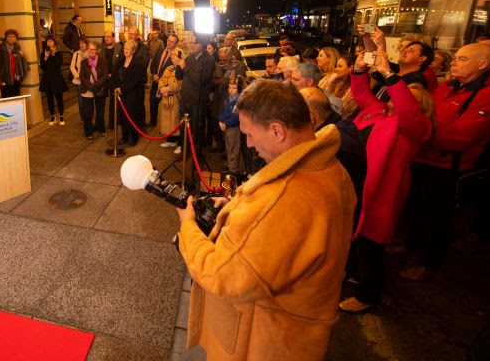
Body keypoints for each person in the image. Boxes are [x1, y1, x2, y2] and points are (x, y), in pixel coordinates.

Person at [176, 79, 356, 360]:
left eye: (249, 133)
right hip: (302, 331)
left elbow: (223, 276)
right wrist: (236, 206)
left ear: (277, 131)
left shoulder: (283, 199)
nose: (247, 143)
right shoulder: (332, 169)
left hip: (267, 339)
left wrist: (188, 226)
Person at [338, 49, 434, 313]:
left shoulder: (417, 127)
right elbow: (360, 93)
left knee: (371, 243)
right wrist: (359, 70)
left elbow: (407, 110)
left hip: (383, 191)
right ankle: (353, 272)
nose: (398, 98)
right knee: (354, 234)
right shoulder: (380, 112)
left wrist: (391, 76)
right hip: (360, 182)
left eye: (409, 98)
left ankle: (368, 295)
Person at [401, 43, 490, 281]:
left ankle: (430, 263)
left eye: (462, 58)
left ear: (483, 64)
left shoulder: (488, 96)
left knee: (438, 218)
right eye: (456, 57)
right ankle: (412, 246)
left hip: (449, 167)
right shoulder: (448, 86)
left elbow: (461, 136)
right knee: (417, 207)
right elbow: (424, 113)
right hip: (423, 157)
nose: (453, 62)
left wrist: (420, 134)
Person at [174, 35, 216, 155]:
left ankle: (196, 155)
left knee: (197, 129)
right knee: (183, 128)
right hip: (185, 99)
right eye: (191, 42)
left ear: (201, 45)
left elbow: (201, 80)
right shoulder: (190, 58)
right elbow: (179, 76)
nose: (191, 45)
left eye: (194, 43)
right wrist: (178, 64)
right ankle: (184, 150)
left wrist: (185, 67)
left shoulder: (209, 61)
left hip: (198, 102)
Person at [114, 40, 147, 147]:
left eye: (128, 49)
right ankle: (124, 137)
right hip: (121, 95)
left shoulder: (137, 63)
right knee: (123, 116)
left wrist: (122, 88)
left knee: (131, 117)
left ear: (133, 51)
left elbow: (135, 81)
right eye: (125, 49)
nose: (125, 51)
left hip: (132, 95)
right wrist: (116, 86)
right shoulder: (121, 61)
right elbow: (116, 74)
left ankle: (133, 138)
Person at [79, 41, 109, 139]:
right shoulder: (83, 62)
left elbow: (105, 76)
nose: (91, 51)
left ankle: (101, 129)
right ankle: (88, 132)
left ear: (97, 50)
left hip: (99, 89)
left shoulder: (103, 61)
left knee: (100, 112)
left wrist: (96, 86)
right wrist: (90, 87)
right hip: (87, 90)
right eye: (89, 49)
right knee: (88, 113)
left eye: (93, 49)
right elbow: (82, 77)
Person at [149, 34, 178, 127]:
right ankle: (152, 122)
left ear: (176, 44)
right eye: (169, 40)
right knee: (153, 102)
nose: (169, 43)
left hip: (165, 86)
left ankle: (165, 126)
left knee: (165, 108)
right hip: (155, 82)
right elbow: (153, 63)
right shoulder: (161, 50)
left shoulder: (176, 55)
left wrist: (160, 77)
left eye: (172, 42)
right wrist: (154, 74)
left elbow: (172, 70)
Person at [157, 48, 184, 148]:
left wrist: (167, 88)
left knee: (175, 121)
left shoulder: (182, 69)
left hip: (175, 99)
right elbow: (161, 79)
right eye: (172, 55)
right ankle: (170, 140)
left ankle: (179, 144)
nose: (172, 56)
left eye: (175, 55)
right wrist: (161, 88)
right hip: (165, 98)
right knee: (167, 121)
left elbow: (179, 83)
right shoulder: (168, 68)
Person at [39, 37, 68, 126]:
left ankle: (61, 116)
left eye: (51, 41)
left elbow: (59, 65)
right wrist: (46, 57)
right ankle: (52, 116)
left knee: (59, 98)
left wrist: (54, 54)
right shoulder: (43, 53)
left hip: (57, 78)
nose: (49, 43)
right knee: (49, 99)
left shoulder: (59, 53)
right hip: (47, 79)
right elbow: (43, 67)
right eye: (48, 41)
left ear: (54, 43)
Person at [218, 78, 242, 177]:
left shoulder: (239, 101)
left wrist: (226, 124)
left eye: (234, 88)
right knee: (228, 147)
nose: (231, 90)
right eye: (230, 88)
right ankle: (230, 165)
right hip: (226, 127)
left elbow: (236, 117)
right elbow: (223, 112)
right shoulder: (229, 98)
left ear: (239, 89)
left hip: (234, 129)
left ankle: (234, 170)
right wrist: (220, 121)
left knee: (233, 149)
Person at [322, 54, 357, 120]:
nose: (336, 69)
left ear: (350, 68)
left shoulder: (353, 88)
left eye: (340, 66)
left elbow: (339, 109)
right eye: (336, 66)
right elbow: (323, 98)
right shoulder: (336, 79)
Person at [0, 29, 29, 98]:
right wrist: (0, 79)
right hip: (5, 77)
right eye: (9, 36)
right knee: (7, 98)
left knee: (16, 97)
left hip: (16, 77)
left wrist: (22, 56)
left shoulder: (17, 47)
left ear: (16, 38)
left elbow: (20, 62)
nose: (11, 38)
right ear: (6, 37)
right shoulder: (0, 48)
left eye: (13, 37)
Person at [102, 31, 123, 130]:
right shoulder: (101, 48)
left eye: (108, 36)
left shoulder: (119, 48)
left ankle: (113, 123)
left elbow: (120, 65)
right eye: (105, 37)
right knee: (100, 100)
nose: (106, 38)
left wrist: (112, 74)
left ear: (113, 38)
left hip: (114, 78)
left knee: (113, 102)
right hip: (103, 78)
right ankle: (100, 124)